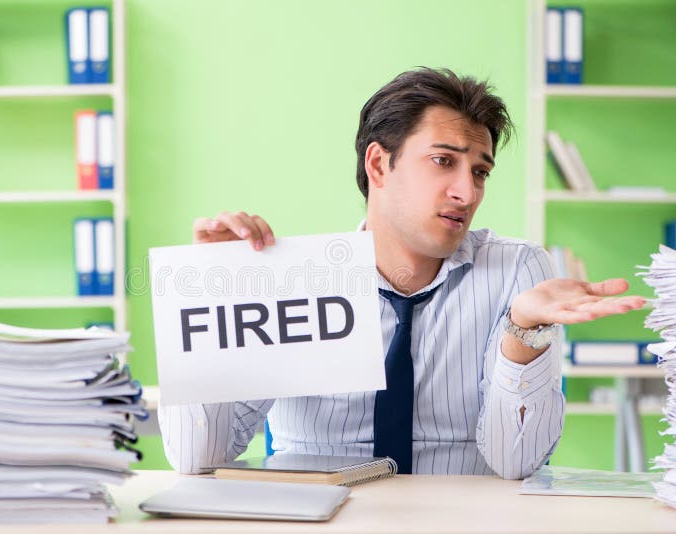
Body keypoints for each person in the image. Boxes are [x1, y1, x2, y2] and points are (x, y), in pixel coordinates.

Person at [158, 68, 645, 479]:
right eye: (443, 161)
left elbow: (515, 464)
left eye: (480, 172)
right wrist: (210, 294)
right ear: (378, 165)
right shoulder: (289, 280)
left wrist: (523, 334)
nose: (467, 193)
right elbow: (195, 457)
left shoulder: (517, 271)